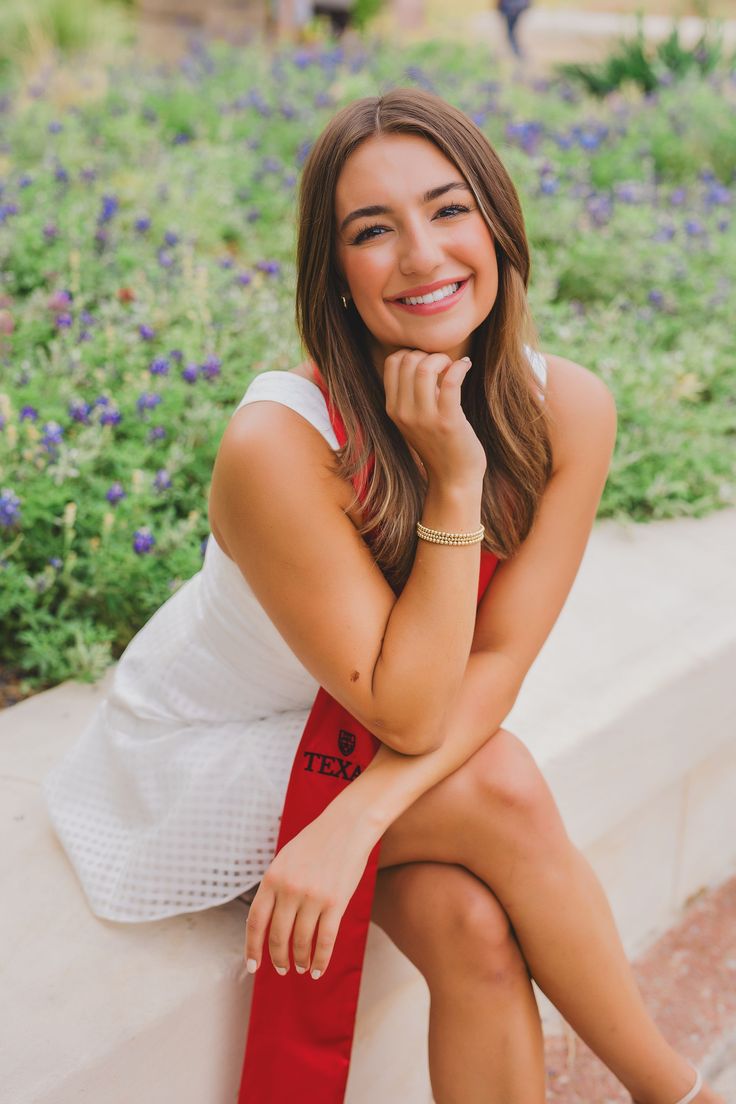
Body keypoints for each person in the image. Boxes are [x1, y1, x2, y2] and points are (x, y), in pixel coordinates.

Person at [42, 88, 720, 1104]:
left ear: (497, 221)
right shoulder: (279, 443)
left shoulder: (569, 409)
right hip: (208, 749)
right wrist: (453, 482)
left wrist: (354, 819)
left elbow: (491, 668)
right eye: (372, 229)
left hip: (380, 750)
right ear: (335, 275)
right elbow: (408, 708)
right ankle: (679, 1094)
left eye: (448, 209)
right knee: (504, 786)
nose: (422, 254)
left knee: (474, 933)